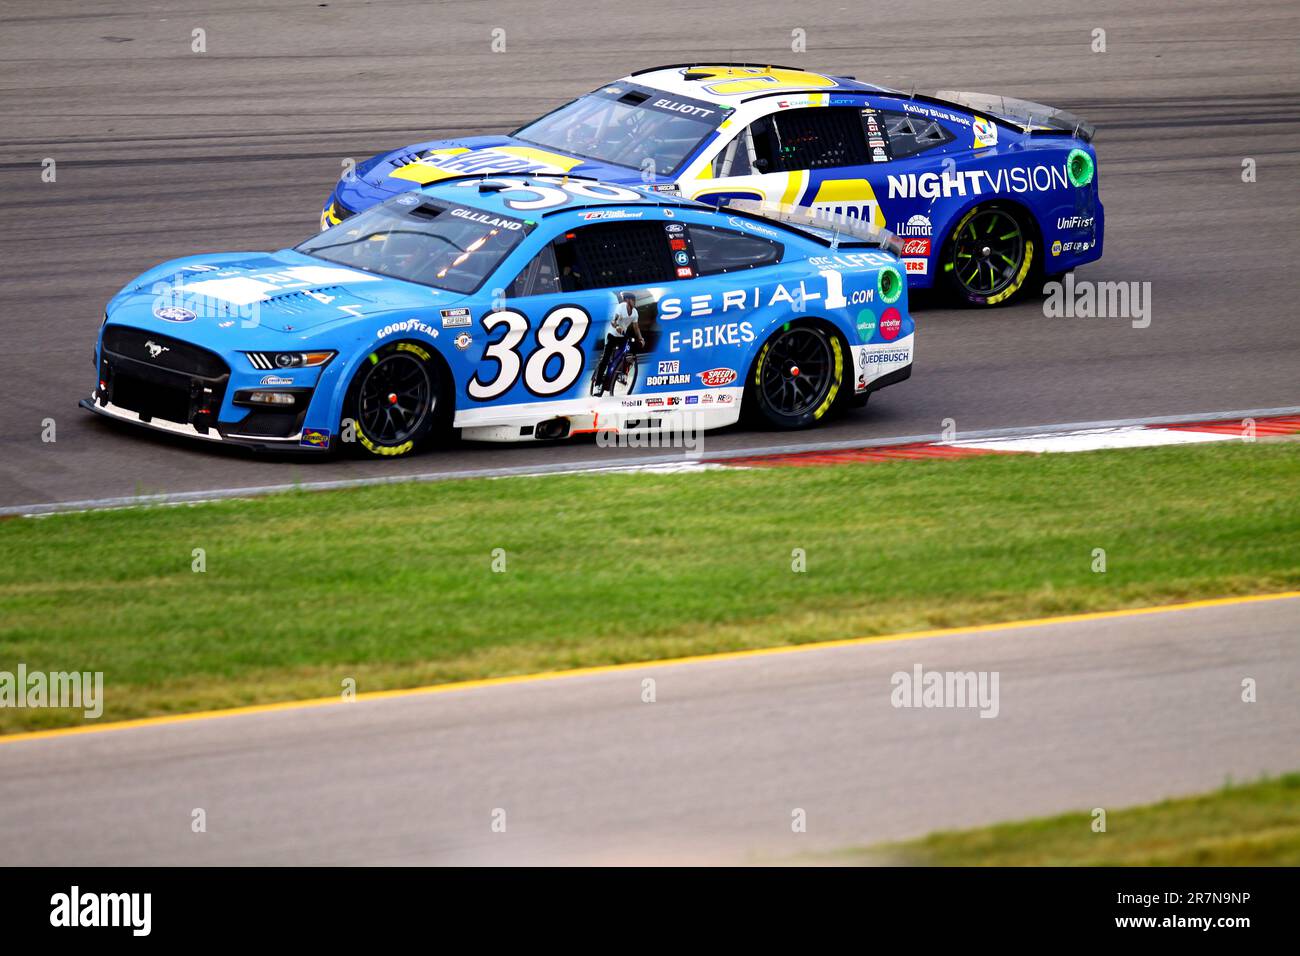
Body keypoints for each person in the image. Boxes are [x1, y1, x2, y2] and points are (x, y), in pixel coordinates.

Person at [594, 292, 644, 395]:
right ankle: (597, 384)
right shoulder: (620, 307)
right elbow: (613, 321)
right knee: (605, 359)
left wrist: (641, 338)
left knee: (628, 353)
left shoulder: (635, 312)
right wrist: (617, 327)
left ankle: (622, 374)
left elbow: (636, 327)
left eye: (635, 300)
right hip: (612, 335)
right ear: (627, 300)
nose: (635, 302)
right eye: (633, 300)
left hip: (622, 337)